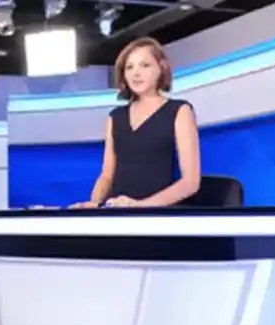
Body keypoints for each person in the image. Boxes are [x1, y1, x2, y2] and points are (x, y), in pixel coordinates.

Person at [74, 37, 201, 209]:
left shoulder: (179, 111)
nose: (136, 73)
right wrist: (94, 203)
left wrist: (142, 206)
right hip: (117, 211)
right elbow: (106, 176)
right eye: (129, 67)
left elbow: (190, 182)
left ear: (161, 67)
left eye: (145, 65)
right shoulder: (115, 117)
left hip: (155, 214)